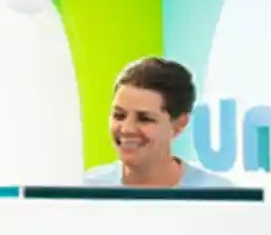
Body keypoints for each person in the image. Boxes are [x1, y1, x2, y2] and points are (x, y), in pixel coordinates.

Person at [83, 56, 233, 188]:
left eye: (145, 119)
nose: (127, 129)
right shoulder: (87, 190)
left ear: (179, 125)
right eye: (119, 115)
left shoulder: (219, 197)